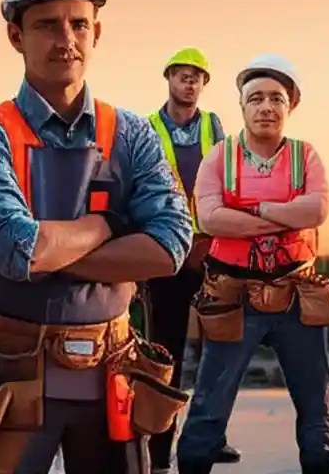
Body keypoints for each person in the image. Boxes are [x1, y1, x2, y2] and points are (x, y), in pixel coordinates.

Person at [0, 0, 194, 473]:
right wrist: (105, 225)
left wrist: (55, 253)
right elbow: (18, 251)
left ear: (97, 31)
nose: (67, 39)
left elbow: (171, 245)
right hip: (12, 380)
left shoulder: (131, 134)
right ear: (16, 35)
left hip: (111, 380)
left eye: (79, 23)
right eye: (48, 24)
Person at [176, 54, 329, 474]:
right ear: (243, 107)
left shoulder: (307, 156)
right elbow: (210, 217)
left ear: (290, 106)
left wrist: (253, 208)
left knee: (315, 405)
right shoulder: (219, 156)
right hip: (233, 294)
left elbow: (317, 209)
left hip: (297, 296)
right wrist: (285, 213)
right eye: (256, 98)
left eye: (276, 98)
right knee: (209, 403)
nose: (266, 107)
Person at [144, 47, 235, 471]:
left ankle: (209, 438)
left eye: (197, 77)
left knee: (219, 346)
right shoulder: (146, 128)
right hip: (165, 253)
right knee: (167, 350)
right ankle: (158, 448)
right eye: (182, 75)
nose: (190, 83)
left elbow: (224, 179)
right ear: (169, 79)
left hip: (209, 251)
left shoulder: (213, 126)